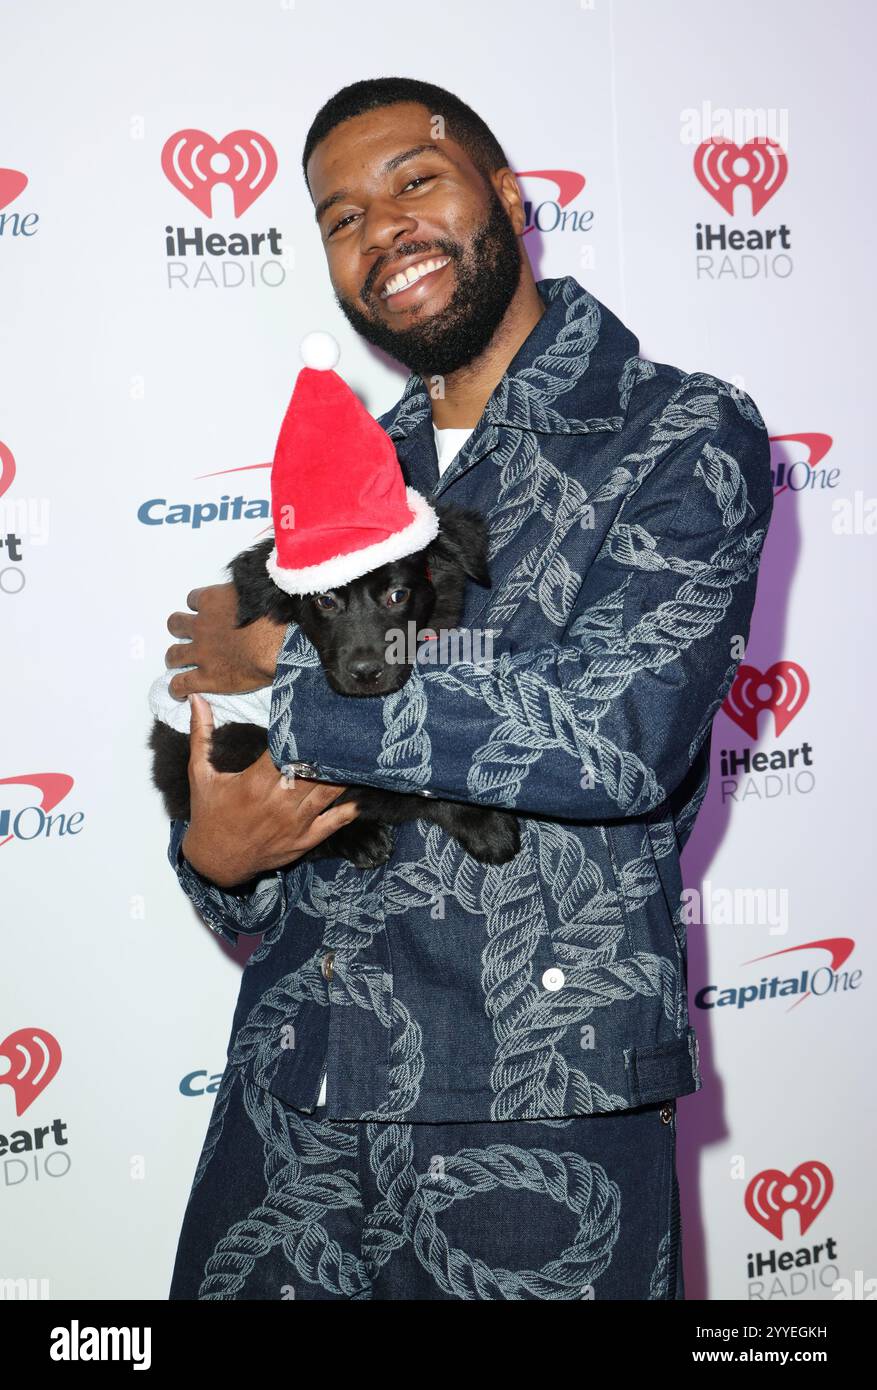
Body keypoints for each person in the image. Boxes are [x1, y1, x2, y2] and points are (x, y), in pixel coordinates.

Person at [161, 76, 773, 1301]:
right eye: (339, 216)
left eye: (414, 181)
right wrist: (217, 860)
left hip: (538, 1115)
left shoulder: (677, 431)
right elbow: (264, 801)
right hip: (294, 1106)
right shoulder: (340, 476)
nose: (379, 230)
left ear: (506, 196)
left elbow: (615, 730)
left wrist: (289, 665)